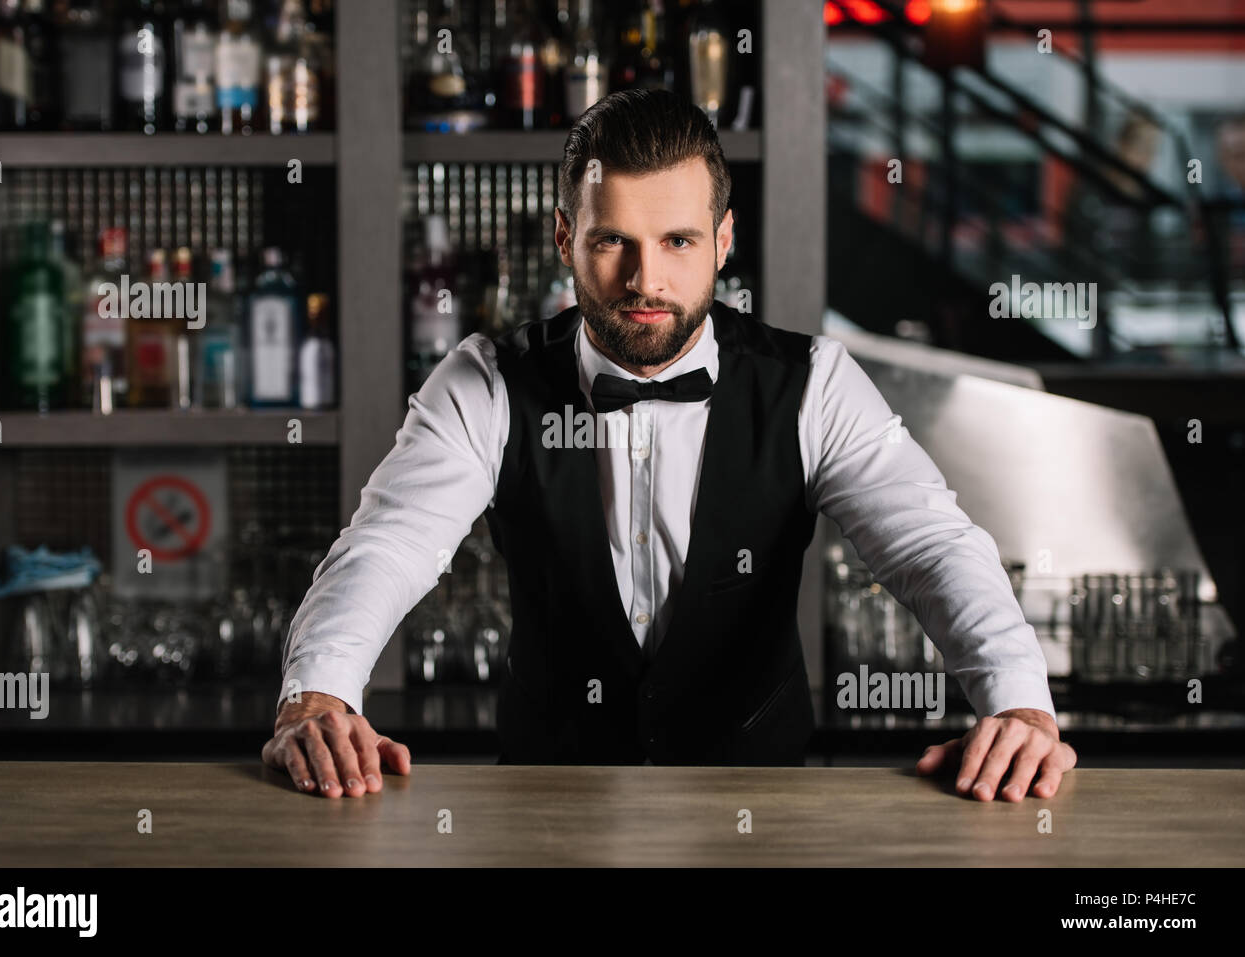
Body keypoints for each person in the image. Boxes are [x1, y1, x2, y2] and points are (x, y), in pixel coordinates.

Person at [262, 89, 1076, 801]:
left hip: (757, 822)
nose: (645, 280)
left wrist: (1018, 701)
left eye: (679, 242)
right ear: (563, 237)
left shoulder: (813, 382)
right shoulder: (486, 380)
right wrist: (319, 693)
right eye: (612, 240)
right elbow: (387, 544)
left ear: (724, 241)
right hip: (543, 818)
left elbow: (930, 546)